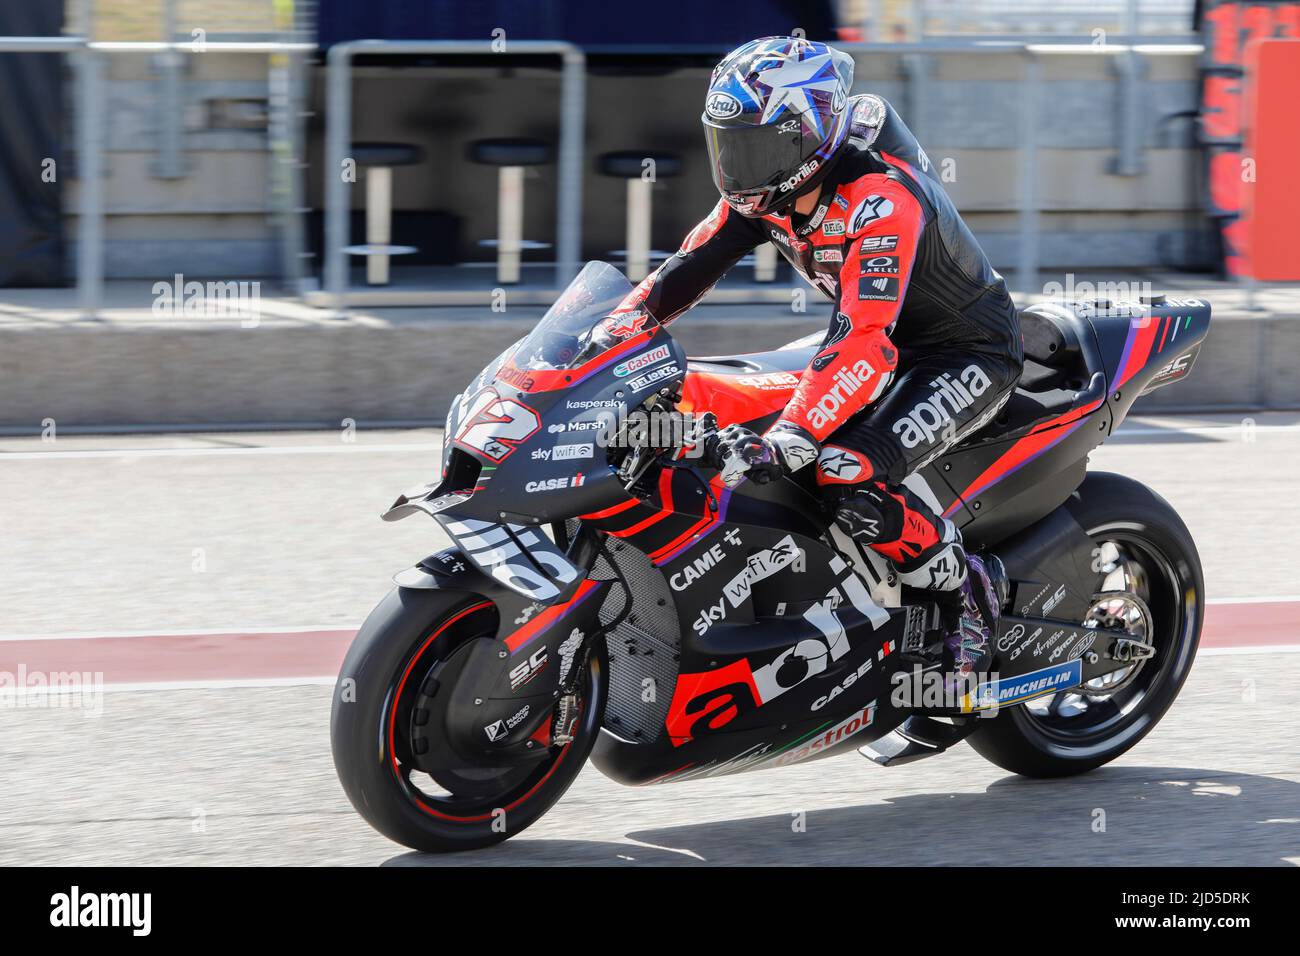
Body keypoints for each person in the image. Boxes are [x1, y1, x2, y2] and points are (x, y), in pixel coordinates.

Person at [608, 36, 1023, 683]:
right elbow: (683, 273)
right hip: (868, 341)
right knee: (698, 396)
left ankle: (961, 593)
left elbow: (864, 342)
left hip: (960, 351)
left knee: (840, 471)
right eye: (728, 143)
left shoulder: (882, 196)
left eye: (756, 145)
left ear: (808, 138)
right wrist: (608, 337)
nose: (737, 166)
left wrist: (792, 437)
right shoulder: (766, 188)